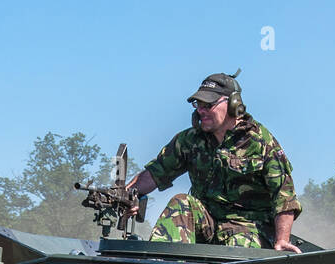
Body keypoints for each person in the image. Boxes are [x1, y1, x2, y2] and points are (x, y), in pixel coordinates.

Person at [126, 72, 302, 252]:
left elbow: (284, 197)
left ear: (233, 105)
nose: (201, 111)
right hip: (207, 223)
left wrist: (282, 240)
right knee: (181, 202)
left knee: (238, 247)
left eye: (208, 105)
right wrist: (127, 194)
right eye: (198, 105)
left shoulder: (261, 142)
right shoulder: (189, 141)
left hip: (248, 228)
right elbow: (156, 173)